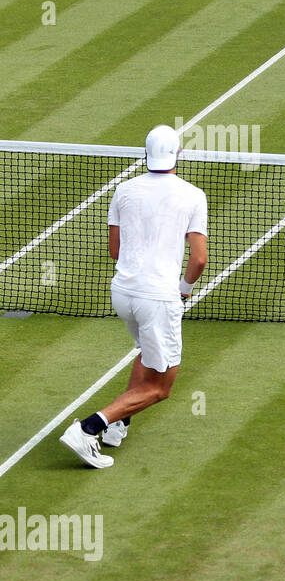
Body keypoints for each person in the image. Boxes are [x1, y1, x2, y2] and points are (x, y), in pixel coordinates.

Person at [59, 124, 208, 469]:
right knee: (160, 387)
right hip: (158, 299)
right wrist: (183, 290)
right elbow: (198, 259)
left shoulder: (123, 191)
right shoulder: (193, 195)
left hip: (123, 294)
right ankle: (89, 429)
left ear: (146, 153)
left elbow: (116, 250)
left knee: (146, 351)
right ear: (177, 154)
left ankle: (118, 425)